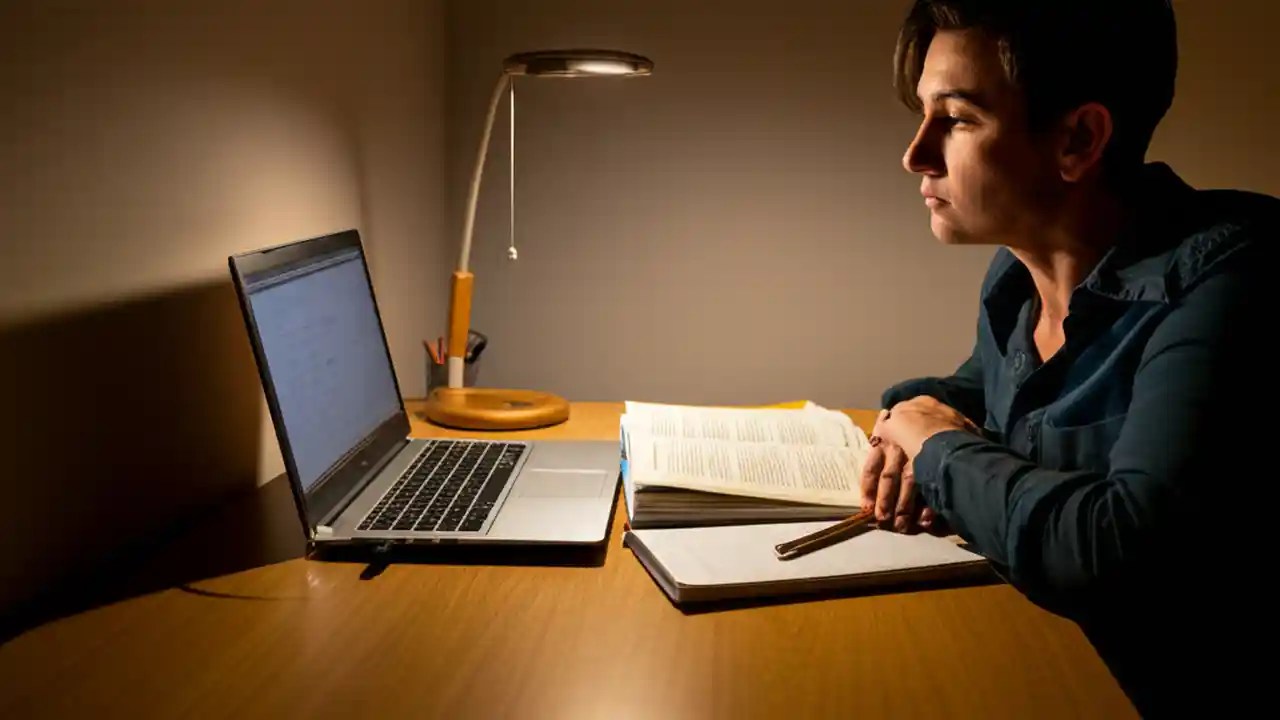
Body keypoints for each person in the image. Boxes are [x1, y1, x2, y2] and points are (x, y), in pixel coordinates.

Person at [863, 1, 1276, 715]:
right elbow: (986, 398)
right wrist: (915, 408)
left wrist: (932, 445)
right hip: (1044, 658)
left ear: (1079, 140)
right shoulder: (1017, 278)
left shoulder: (1231, 286)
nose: (916, 154)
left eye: (956, 119)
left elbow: (1116, 551)